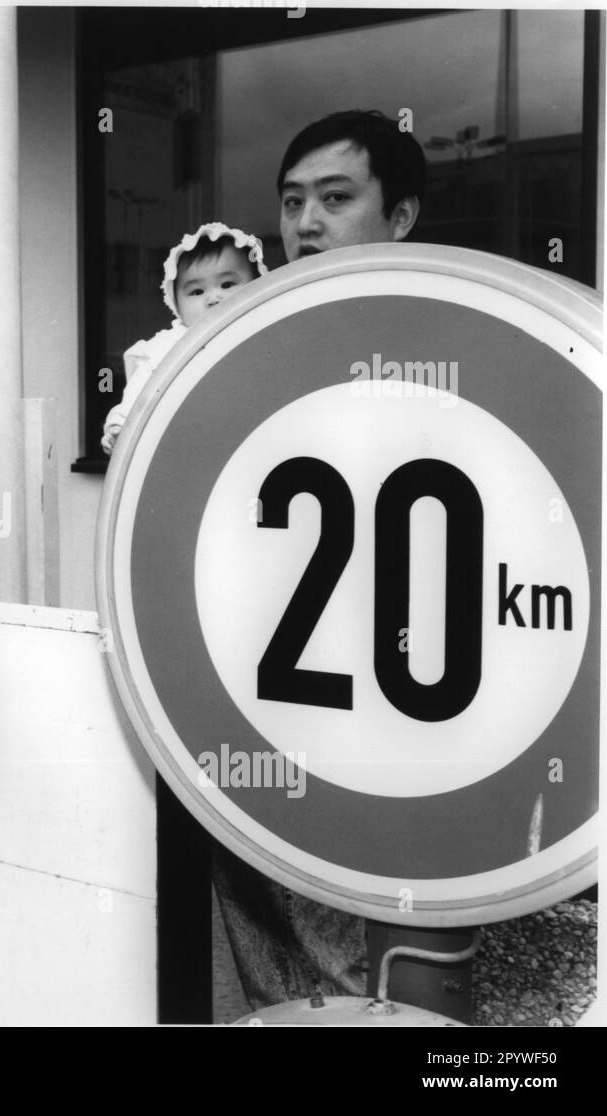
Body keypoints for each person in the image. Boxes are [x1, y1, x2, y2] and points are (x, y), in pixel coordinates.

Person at [212, 109, 426, 1009]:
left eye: (336, 199)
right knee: (251, 926)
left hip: (390, 720)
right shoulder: (253, 349)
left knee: (366, 955)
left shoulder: (449, 340)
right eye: (293, 201)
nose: (306, 224)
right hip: (263, 707)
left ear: (402, 216)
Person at [101, 222, 268, 455]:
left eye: (227, 284)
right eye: (197, 291)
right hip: (187, 447)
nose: (213, 298)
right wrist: (121, 425)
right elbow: (139, 393)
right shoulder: (167, 346)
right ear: (175, 302)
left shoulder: (265, 333)